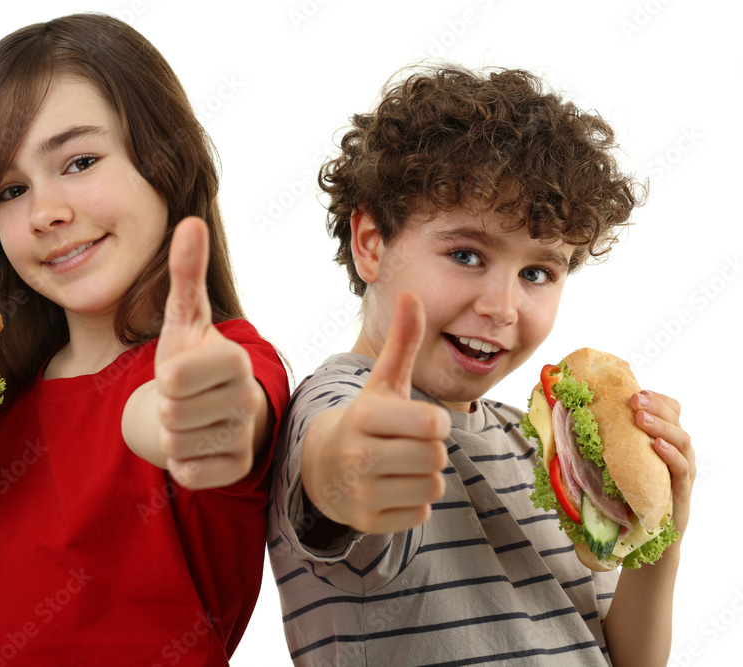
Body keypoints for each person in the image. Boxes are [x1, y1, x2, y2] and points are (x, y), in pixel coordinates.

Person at [0, 14, 289, 666]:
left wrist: (194, 410)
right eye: (11, 189)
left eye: (78, 161)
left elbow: (206, 421)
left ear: (167, 160)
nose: (46, 212)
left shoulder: (224, 364)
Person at [267, 66, 695, 666]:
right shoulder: (343, 403)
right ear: (370, 242)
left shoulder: (537, 443)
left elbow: (624, 658)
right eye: (466, 255)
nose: (501, 307)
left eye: (537, 273)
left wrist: (658, 537)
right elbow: (339, 475)